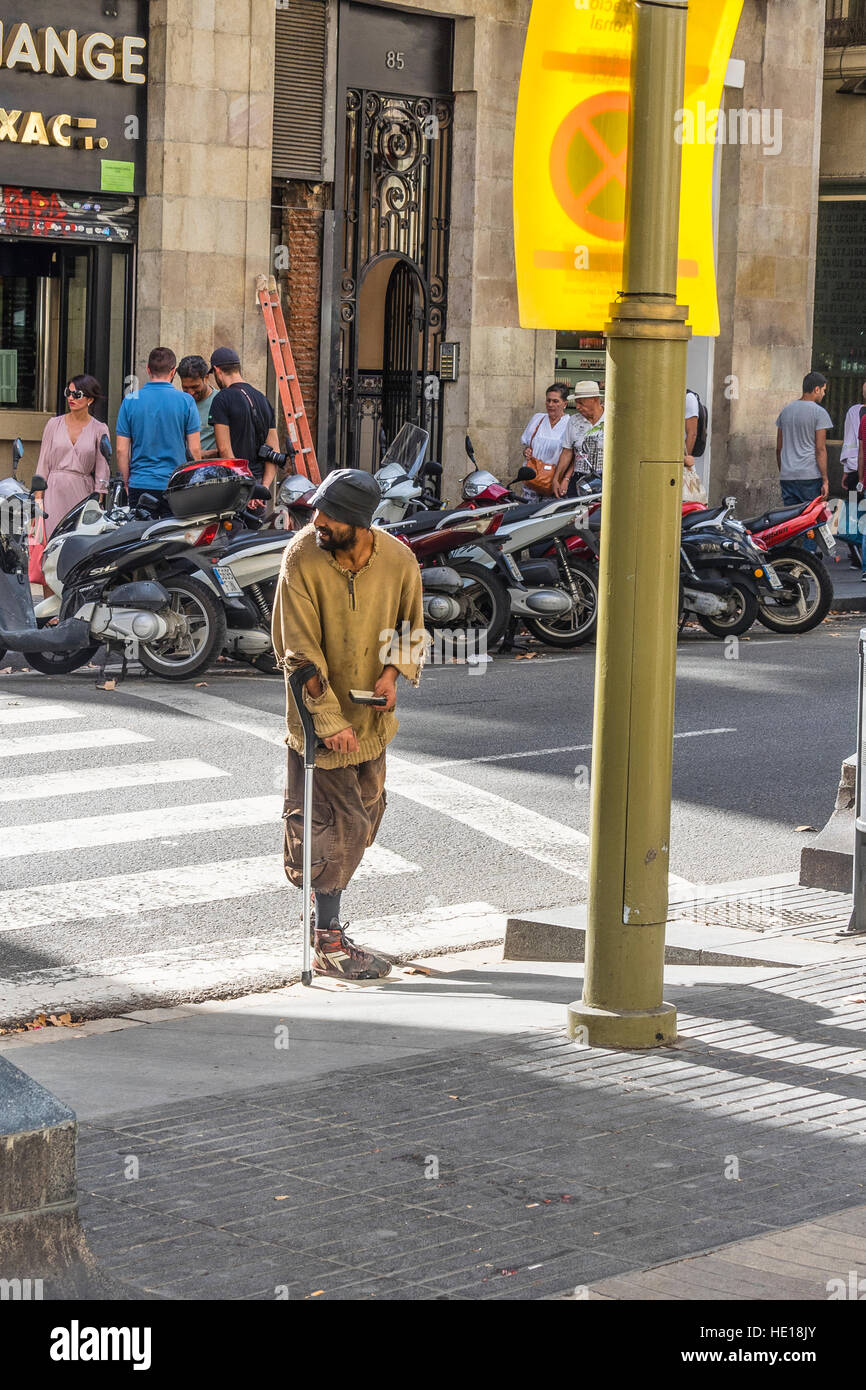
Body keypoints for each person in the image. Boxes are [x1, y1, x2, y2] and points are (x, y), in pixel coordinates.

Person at [272, 468, 425, 980]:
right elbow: (297, 649)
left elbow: (410, 626)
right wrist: (328, 718)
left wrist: (390, 676)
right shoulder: (302, 556)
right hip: (320, 723)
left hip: (371, 721)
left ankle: (329, 929)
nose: (316, 521)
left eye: (329, 515)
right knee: (333, 829)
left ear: (359, 523)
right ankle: (328, 940)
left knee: (366, 818)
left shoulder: (399, 560)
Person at [115, 347, 201, 507]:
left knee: (140, 531)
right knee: (174, 532)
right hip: (175, 484)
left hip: (140, 483)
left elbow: (121, 450)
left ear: (148, 369)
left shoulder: (130, 400)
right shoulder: (186, 401)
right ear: (173, 371)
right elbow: (195, 450)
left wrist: (126, 482)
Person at [33, 375, 110, 538]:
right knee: (51, 542)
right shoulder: (53, 424)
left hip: (82, 493)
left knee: (77, 542)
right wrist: (38, 500)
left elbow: (102, 469)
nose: (70, 398)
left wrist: (98, 500)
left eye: (77, 394)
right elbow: (43, 463)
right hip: (53, 492)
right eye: (68, 392)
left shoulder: (99, 429)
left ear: (89, 399)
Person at [208, 347, 281, 489]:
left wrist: (245, 485)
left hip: (236, 486)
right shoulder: (262, 399)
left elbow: (224, 450)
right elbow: (274, 451)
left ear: (217, 370)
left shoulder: (222, 398)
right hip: (259, 484)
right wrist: (264, 488)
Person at [775, 371, 831, 507]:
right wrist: (825, 480)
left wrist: (784, 471)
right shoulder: (819, 413)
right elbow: (820, 449)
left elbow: (779, 448)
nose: (823, 394)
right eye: (823, 390)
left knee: (791, 522)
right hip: (809, 476)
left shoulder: (786, 411)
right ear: (816, 389)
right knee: (813, 521)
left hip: (787, 476)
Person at [553, 380, 605, 496]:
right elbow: (567, 452)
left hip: (605, 478)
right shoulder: (574, 421)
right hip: (579, 478)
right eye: (576, 402)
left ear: (595, 399)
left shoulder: (611, 419)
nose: (577, 407)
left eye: (581, 403)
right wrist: (557, 478)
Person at [520, 383, 574, 491]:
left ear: (565, 403)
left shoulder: (570, 423)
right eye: (548, 400)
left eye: (555, 401)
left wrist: (565, 479)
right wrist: (526, 451)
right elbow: (528, 445)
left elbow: (573, 457)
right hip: (533, 478)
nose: (550, 404)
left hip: (554, 480)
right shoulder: (537, 419)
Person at [178, 355, 220, 458]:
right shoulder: (180, 403)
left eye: (195, 387)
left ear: (206, 377)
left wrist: (205, 454)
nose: (190, 392)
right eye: (185, 387)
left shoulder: (220, 401)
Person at [841, 380, 866, 490]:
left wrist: (846, 471)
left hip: (854, 470)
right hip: (857, 470)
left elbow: (849, 441)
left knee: (852, 504)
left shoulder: (854, 411)